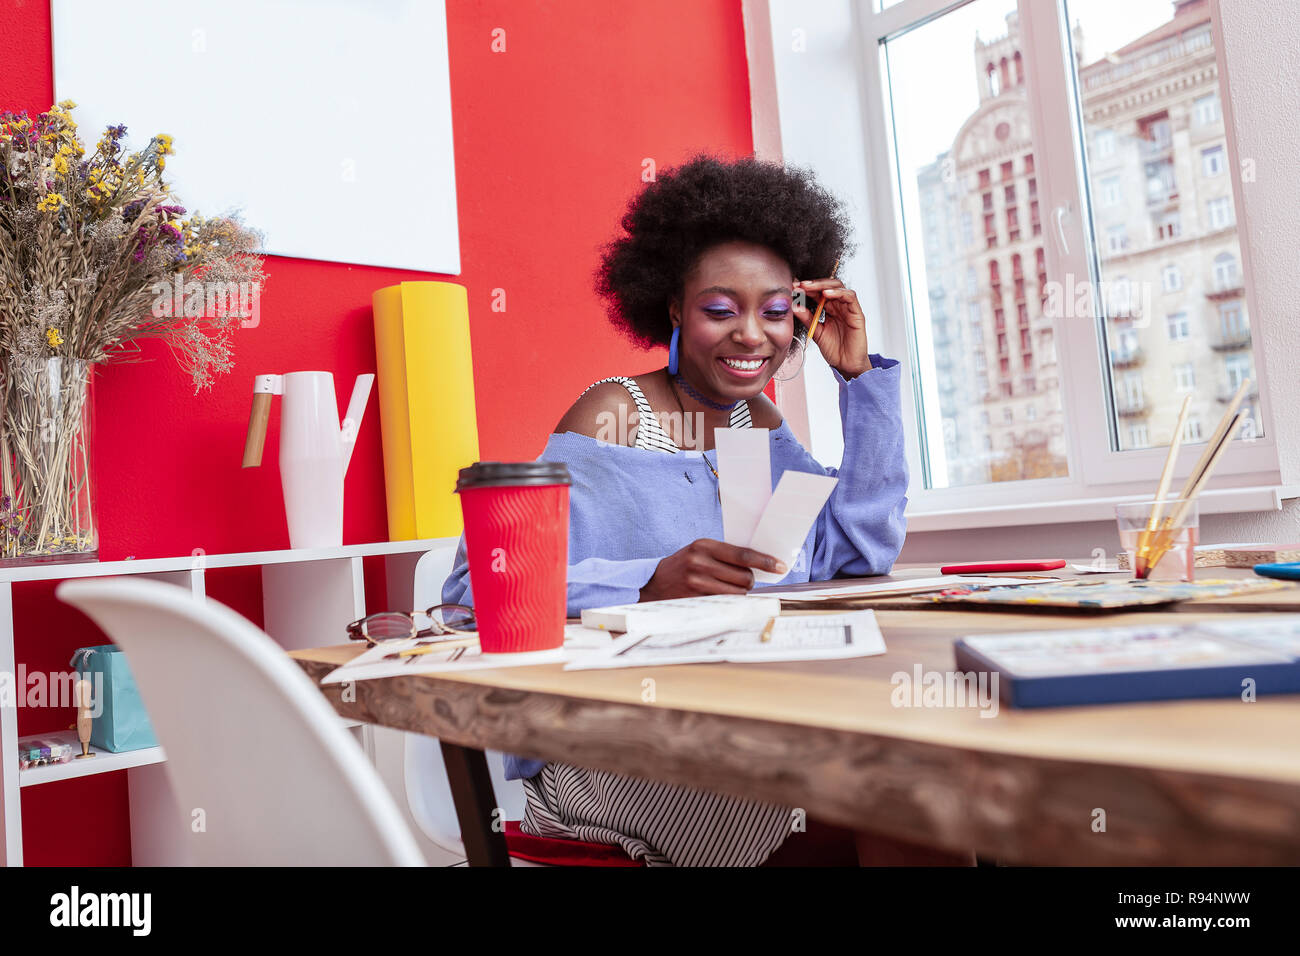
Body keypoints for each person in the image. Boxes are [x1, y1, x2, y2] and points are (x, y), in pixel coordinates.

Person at [443, 152, 911, 866]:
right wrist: (646, 582)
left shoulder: (761, 425)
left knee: (924, 793)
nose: (753, 335)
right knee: (898, 806)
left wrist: (859, 382)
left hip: (744, 714)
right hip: (614, 746)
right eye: (721, 310)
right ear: (672, 308)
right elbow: (481, 590)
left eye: (776, 311)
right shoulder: (615, 415)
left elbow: (858, 552)